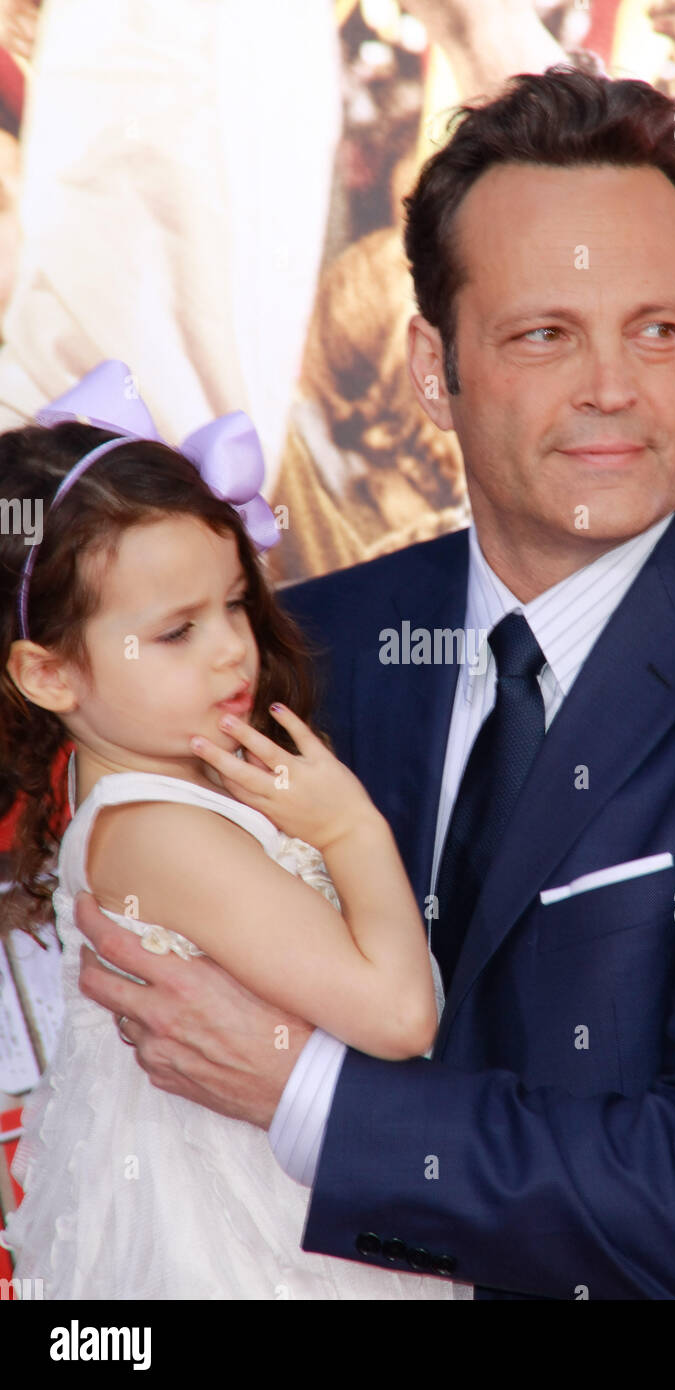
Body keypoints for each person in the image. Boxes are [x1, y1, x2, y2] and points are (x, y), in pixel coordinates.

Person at [76, 68, 675, 1300]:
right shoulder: (299, 648)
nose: (612, 386)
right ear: (429, 367)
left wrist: (306, 1092)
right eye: (544, 334)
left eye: (656, 328)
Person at [0, 361, 466, 1300]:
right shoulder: (159, 835)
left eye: (235, 604)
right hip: (242, 1247)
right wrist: (354, 829)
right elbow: (401, 1017)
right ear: (49, 675)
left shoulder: (161, 792)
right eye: (175, 633)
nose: (231, 649)